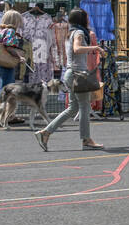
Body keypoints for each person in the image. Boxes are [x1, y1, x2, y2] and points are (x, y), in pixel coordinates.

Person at [35, 9, 103, 152]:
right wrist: (95, 47)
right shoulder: (78, 33)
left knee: (73, 108)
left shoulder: (71, 32)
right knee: (84, 106)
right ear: (81, 19)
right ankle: (86, 140)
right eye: (87, 17)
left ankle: (46, 132)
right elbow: (77, 49)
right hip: (78, 74)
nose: (89, 19)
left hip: (71, 73)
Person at [0, 10, 28, 111]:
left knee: (7, 89)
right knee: (7, 89)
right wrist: (20, 57)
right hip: (7, 63)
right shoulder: (11, 31)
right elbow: (9, 47)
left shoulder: (1, 30)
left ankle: (8, 114)